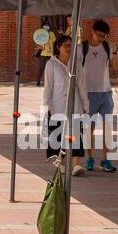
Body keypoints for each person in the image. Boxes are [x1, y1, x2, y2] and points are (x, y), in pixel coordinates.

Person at [43, 34, 85, 176]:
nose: (69, 48)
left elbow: (82, 85)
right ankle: (60, 162)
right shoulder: (51, 64)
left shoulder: (76, 63)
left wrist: (86, 105)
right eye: (66, 45)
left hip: (75, 105)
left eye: (71, 45)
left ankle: (75, 165)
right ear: (58, 47)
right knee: (58, 135)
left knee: (74, 135)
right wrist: (47, 106)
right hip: (57, 105)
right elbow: (48, 87)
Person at [80, 19, 118, 172]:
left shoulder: (107, 47)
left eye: (104, 36)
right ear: (92, 32)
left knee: (107, 128)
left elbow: (116, 68)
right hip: (88, 94)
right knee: (89, 128)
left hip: (105, 93)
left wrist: (114, 53)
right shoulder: (82, 48)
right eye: (99, 35)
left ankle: (106, 160)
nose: (102, 38)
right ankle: (89, 158)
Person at [33, 19, 55, 86]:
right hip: (42, 53)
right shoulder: (39, 33)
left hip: (50, 53)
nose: (46, 27)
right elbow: (36, 42)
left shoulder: (51, 34)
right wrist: (39, 46)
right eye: (45, 26)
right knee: (40, 68)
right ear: (42, 26)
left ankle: (48, 82)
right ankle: (38, 82)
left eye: (47, 26)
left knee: (49, 68)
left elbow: (54, 41)